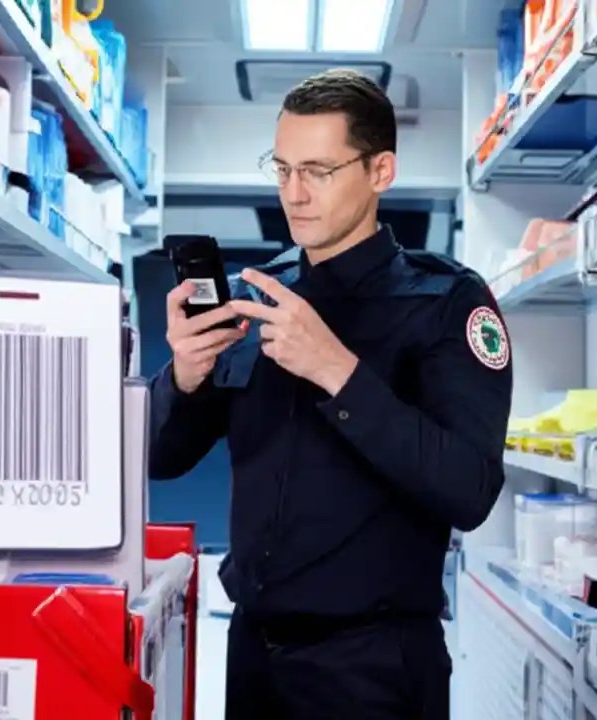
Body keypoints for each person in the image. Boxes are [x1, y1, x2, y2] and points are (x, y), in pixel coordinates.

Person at [148, 69, 513, 719]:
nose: (295, 193)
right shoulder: (254, 296)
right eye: (282, 168)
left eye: (318, 170)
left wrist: (339, 373)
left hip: (373, 668)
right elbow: (161, 458)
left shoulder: (447, 302)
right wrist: (183, 373)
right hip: (252, 652)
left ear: (380, 172)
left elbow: (470, 489)